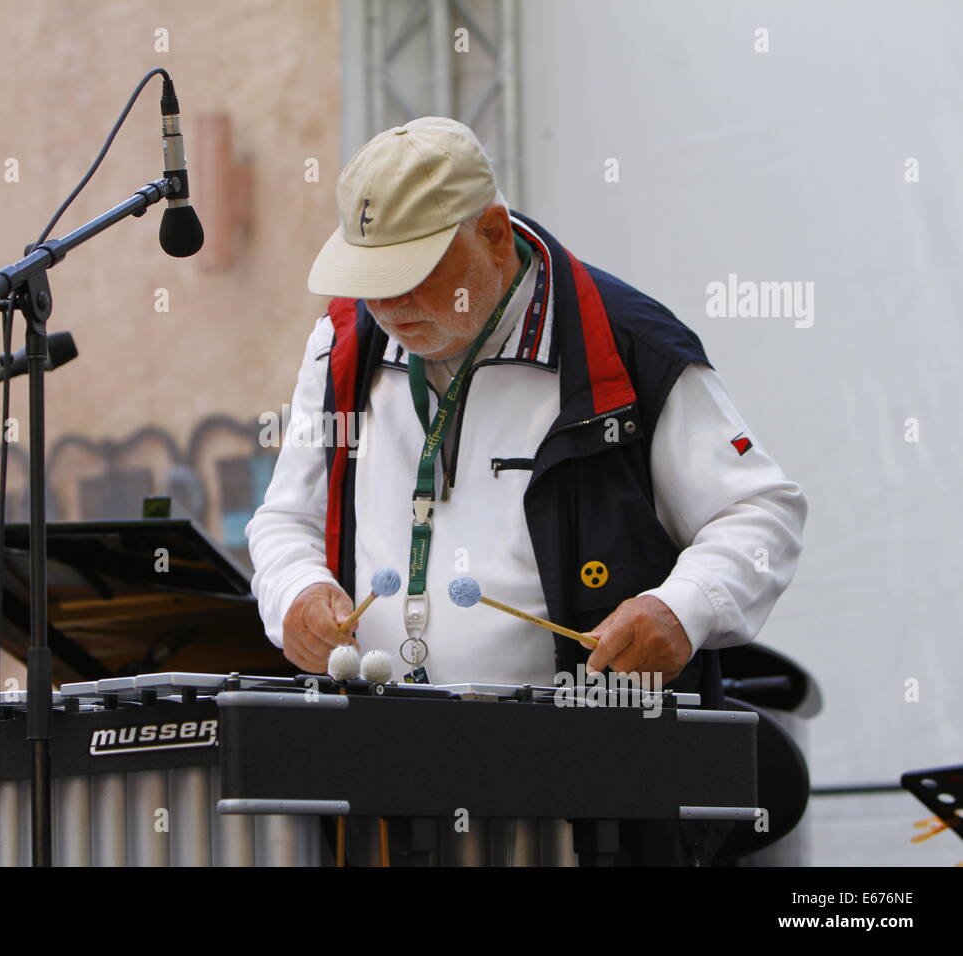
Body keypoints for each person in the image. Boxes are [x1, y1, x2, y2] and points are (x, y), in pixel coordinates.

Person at [245, 116, 807, 864]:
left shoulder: (629, 345)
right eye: (370, 279)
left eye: (414, 273)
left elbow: (760, 511)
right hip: (385, 781)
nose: (390, 305)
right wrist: (294, 593)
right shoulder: (342, 343)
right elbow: (286, 519)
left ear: (492, 232)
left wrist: (682, 607)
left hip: (591, 797)